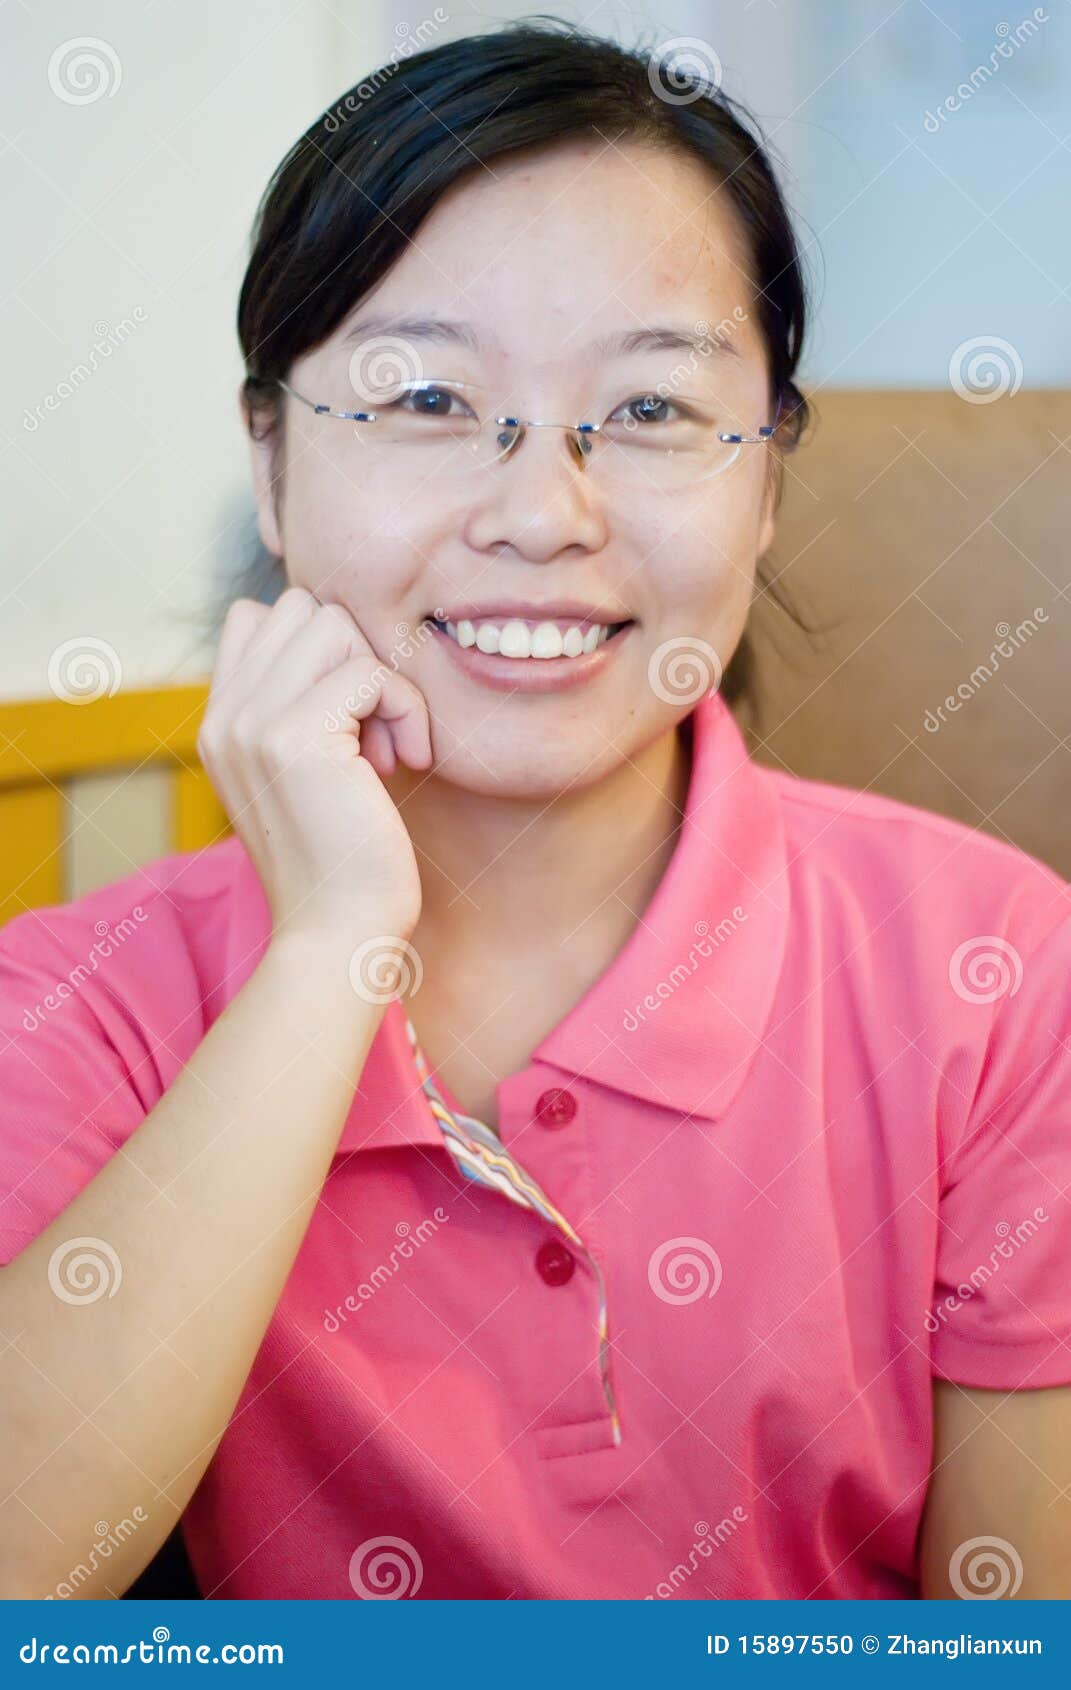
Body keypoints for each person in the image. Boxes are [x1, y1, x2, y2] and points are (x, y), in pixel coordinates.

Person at [2, 17, 1070, 1603]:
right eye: (425, 397)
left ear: (768, 478)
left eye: (647, 411)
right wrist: (327, 954)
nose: (539, 512)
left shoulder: (1003, 974)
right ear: (272, 461)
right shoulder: (77, 1002)